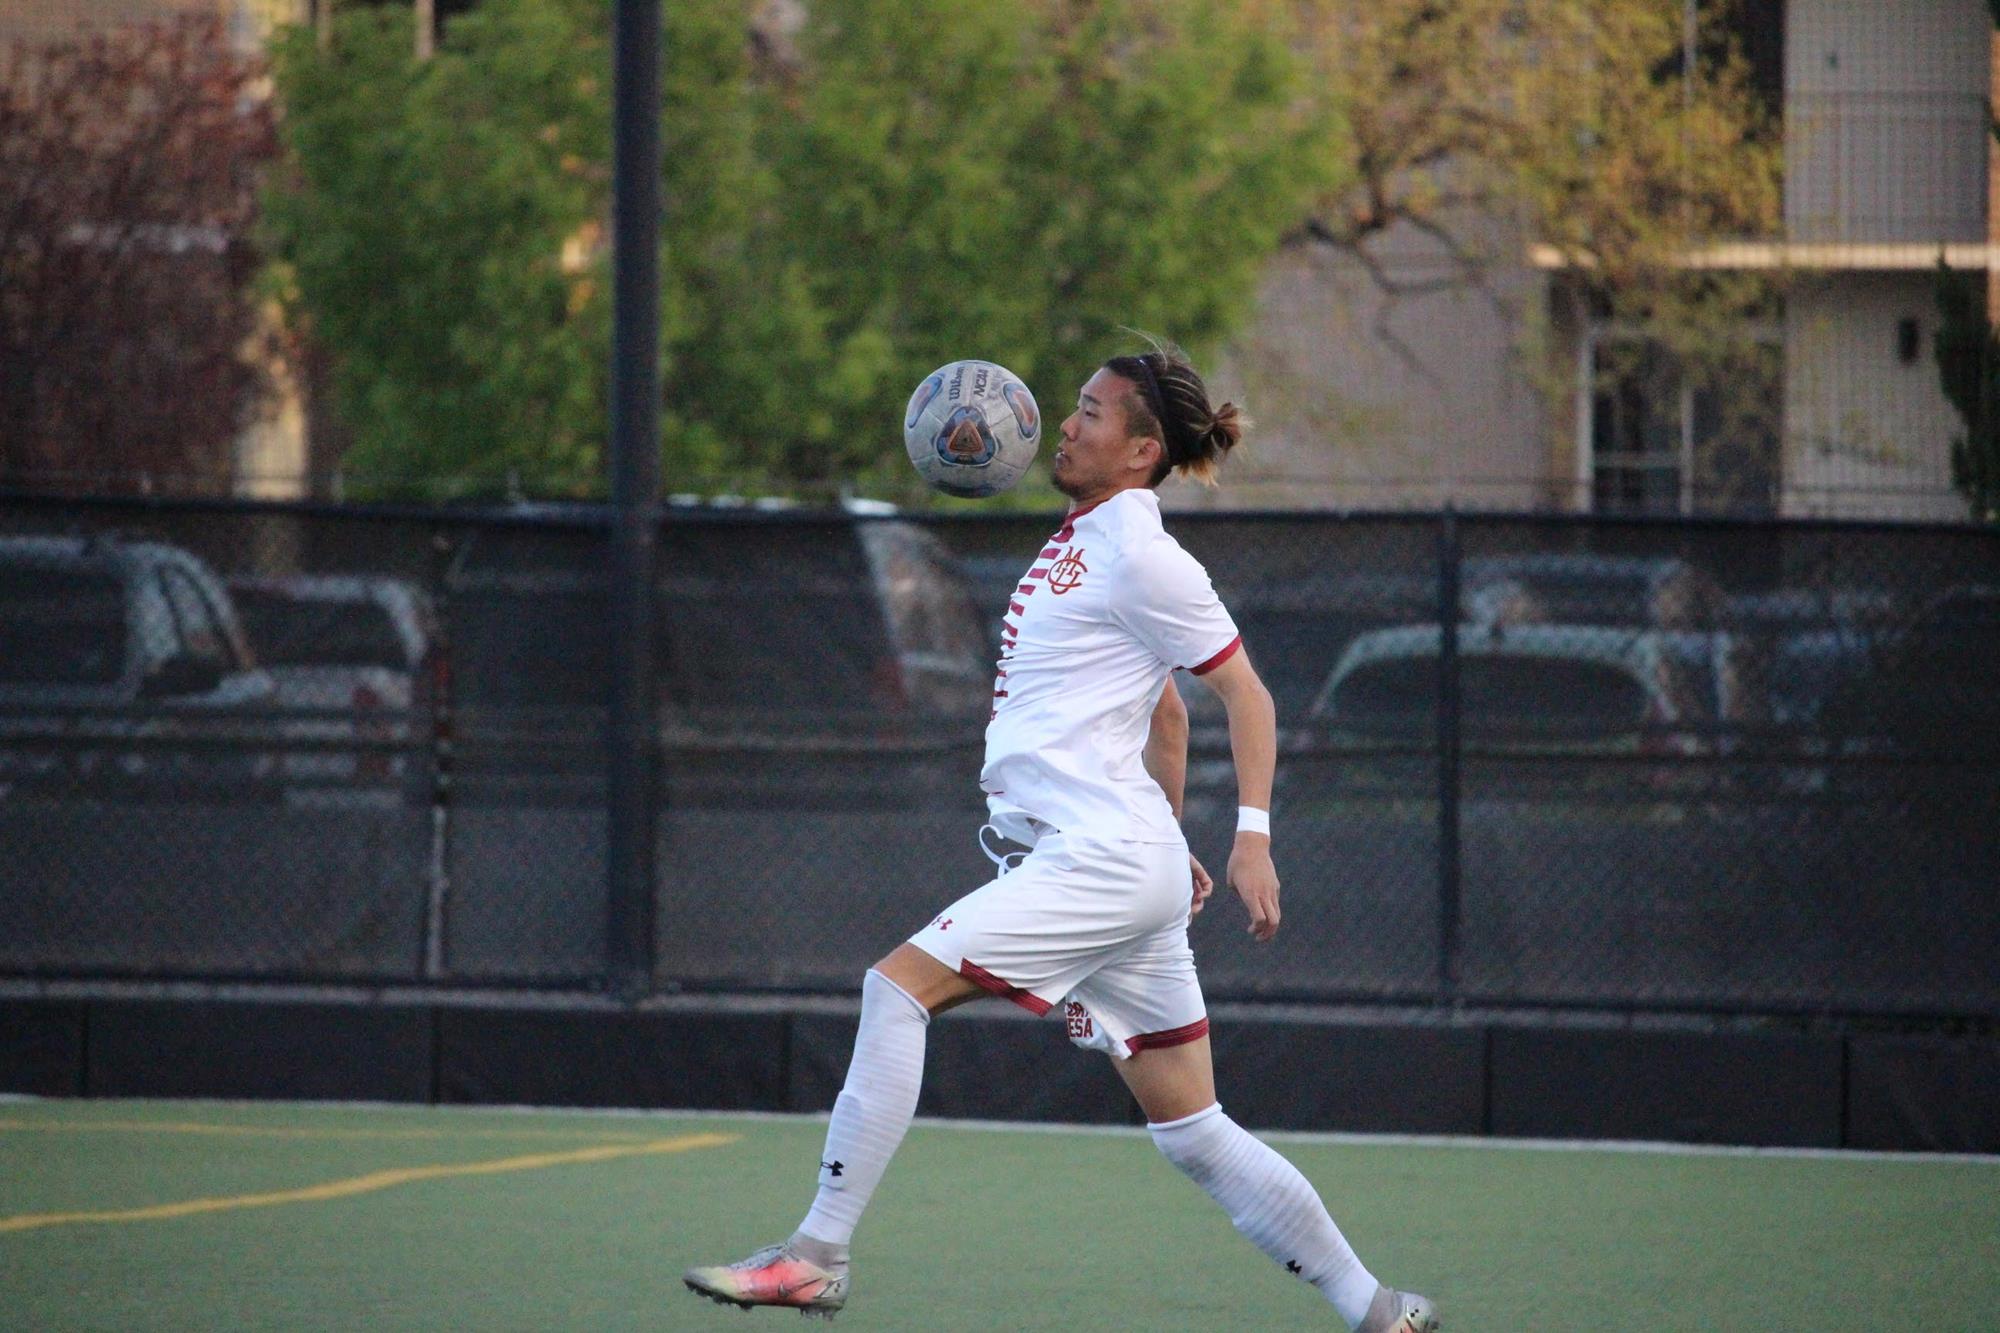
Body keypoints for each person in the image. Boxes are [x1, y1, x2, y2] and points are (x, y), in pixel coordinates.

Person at [684, 343, 1440, 1332]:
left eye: (1089, 413)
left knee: (894, 988)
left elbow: (1243, 694)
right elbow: (1163, 715)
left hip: (1098, 858)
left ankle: (815, 1254)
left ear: (1139, 451)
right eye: (1074, 407)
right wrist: (1168, 843)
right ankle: (1373, 1306)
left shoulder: (1140, 552)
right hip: (1119, 857)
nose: (1065, 424)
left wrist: (1249, 837)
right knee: (1193, 1132)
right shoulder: (1085, 543)